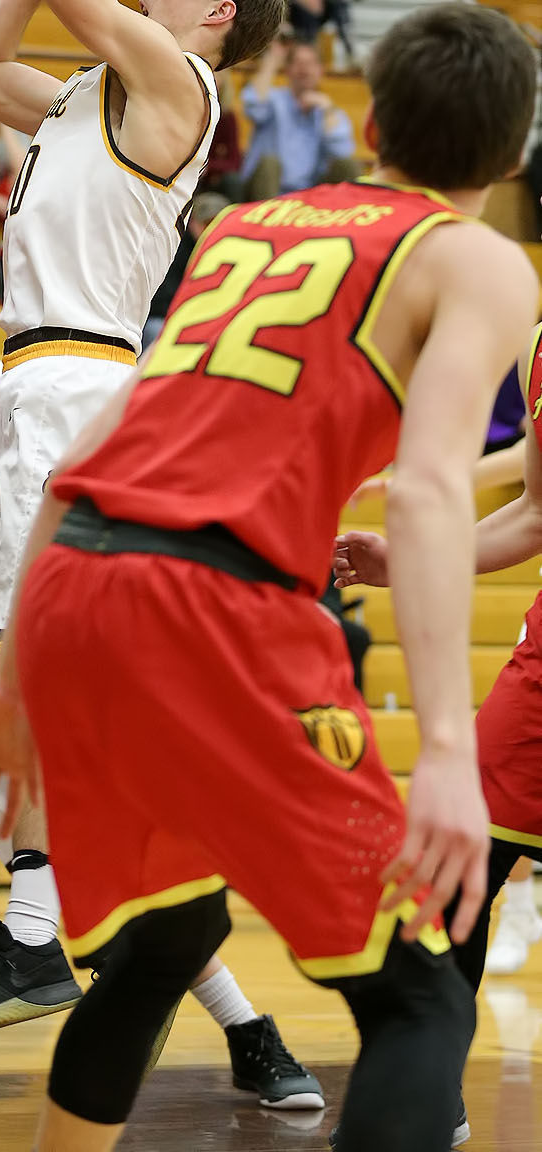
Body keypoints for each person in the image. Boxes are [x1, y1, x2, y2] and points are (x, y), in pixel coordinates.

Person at [0, 1, 539, 1152]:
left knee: (167, 938)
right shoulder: (477, 260)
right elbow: (422, 494)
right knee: (418, 993)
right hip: (213, 604)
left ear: (368, 129)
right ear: (511, 158)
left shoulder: (248, 227)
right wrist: (448, 758)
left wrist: (13, 686)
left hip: (74, 584)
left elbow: (74, 469)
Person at [0, 0, 319, 1112]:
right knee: (59, 687)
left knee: (33, 661)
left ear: (212, 23)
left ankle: (32, 936)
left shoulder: (175, 86)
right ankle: (212, 994)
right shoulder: (93, 94)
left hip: (80, 377)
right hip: (34, 383)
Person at [333, 311, 542, 1141]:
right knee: (452, 871)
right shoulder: (533, 335)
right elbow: (533, 514)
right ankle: (423, 1099)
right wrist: (411, 557)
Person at [240, 40, 360, 199]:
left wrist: (327, 110)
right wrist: (272, 62)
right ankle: (267, 221)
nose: (304, 69)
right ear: (288, 70)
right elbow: (253, 107)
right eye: (298, 63)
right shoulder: (275, 100)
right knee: (270, 164)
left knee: (347, 165)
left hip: (309, 194)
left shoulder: (328, 110)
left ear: (321, 70)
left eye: (310, 63)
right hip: (265, 191)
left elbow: (343, 153)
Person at [142, 192, 230, 348]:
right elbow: (161, 298)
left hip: (199, 319)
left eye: (217, 224)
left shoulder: (226, 251)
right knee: (158, 332)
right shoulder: (175, 247)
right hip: (163, 316)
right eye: (207, 223)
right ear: (192, 222)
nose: (210, 230)